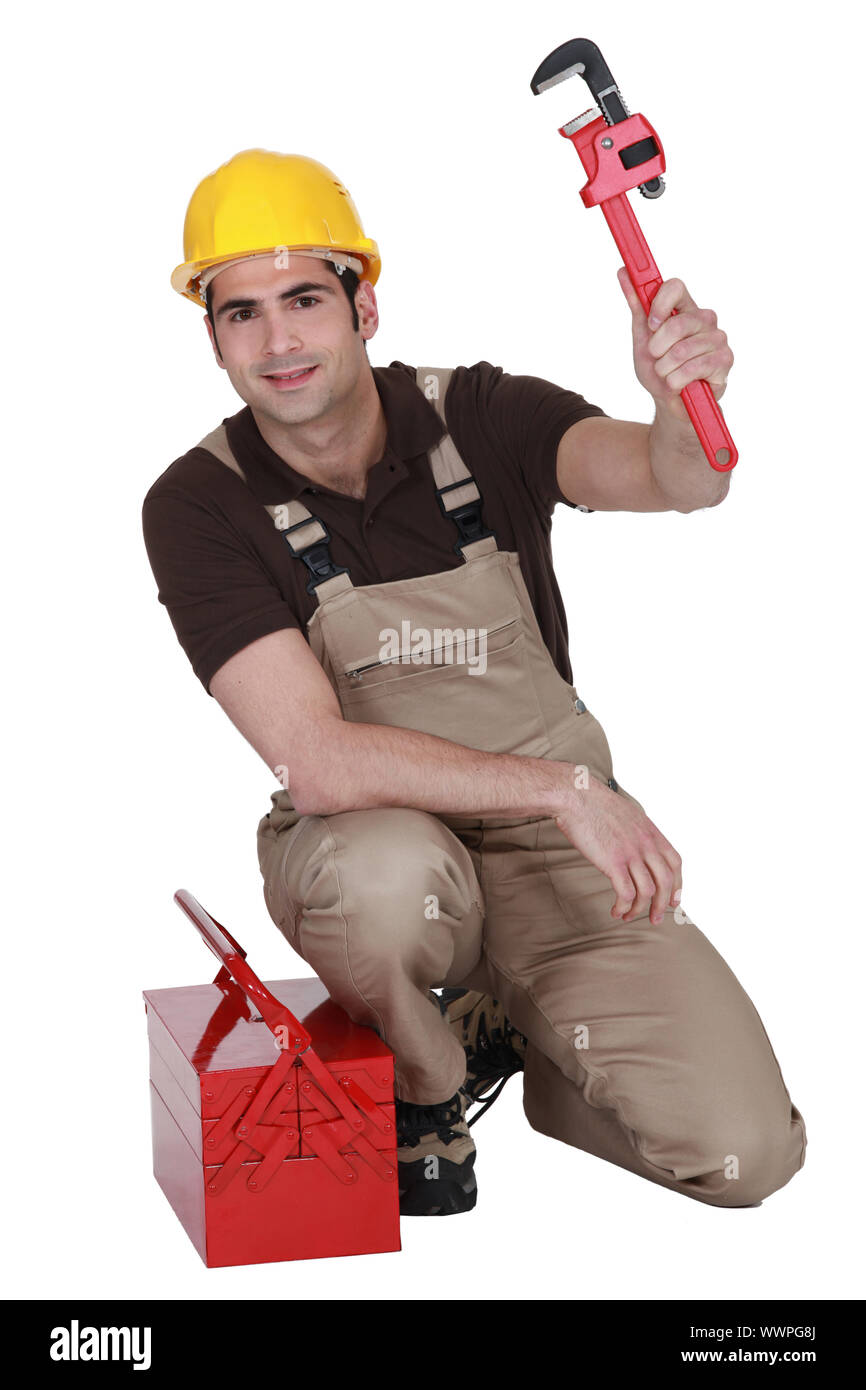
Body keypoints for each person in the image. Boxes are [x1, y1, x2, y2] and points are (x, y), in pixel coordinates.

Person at [143, 147, 807, 1218]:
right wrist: (566, 789)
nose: (277, 342)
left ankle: (521, 1037)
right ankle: (423, 1084)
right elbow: (313, 760)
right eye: (240, 313)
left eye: (305, 299)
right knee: (381, 876)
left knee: (744, 1158)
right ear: (211, 334)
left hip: (554, 861)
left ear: (364, 307)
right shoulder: (197, 504)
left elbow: (672, 478)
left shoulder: (482, 416)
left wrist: (683, 401)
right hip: (380, 842)